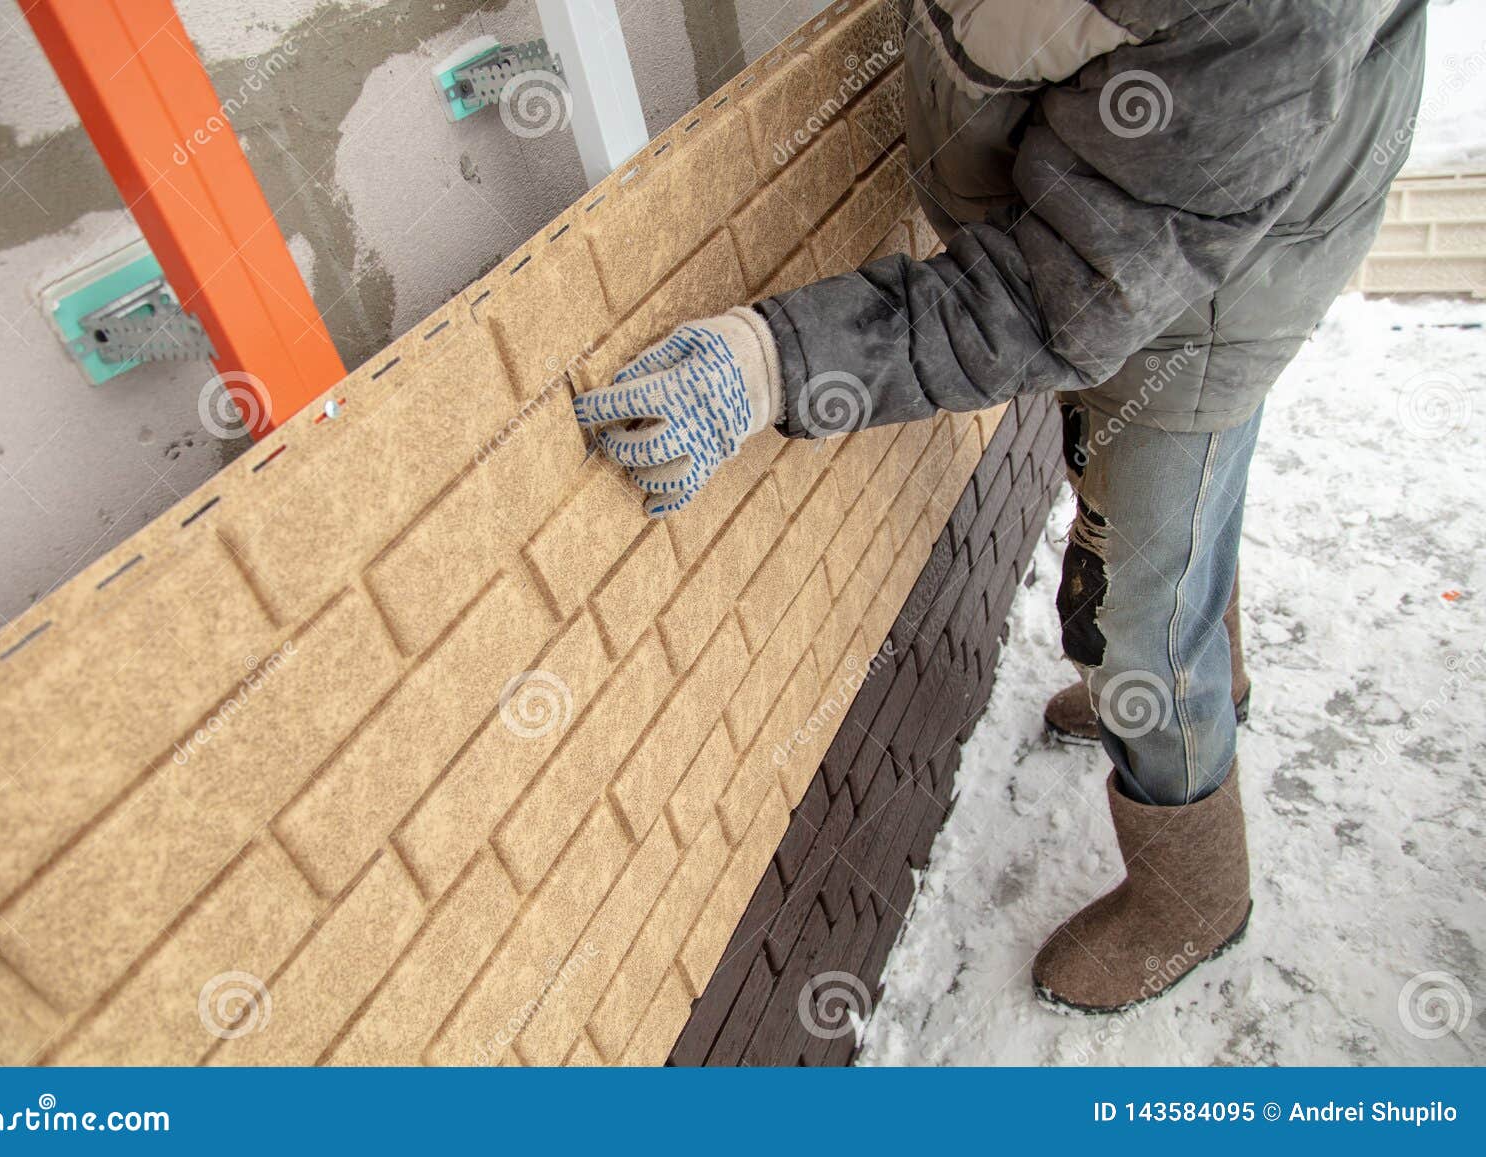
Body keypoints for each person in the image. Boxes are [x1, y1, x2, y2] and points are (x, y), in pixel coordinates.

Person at [574, 0, 1427, 1014]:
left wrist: (774, 362)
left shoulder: (1274, 24)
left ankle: (1190, 891)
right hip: (1141, 239)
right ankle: (1204, 677)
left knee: (1136, 615)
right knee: (1159, 513)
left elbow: (1048, 301)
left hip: (1203, 300)